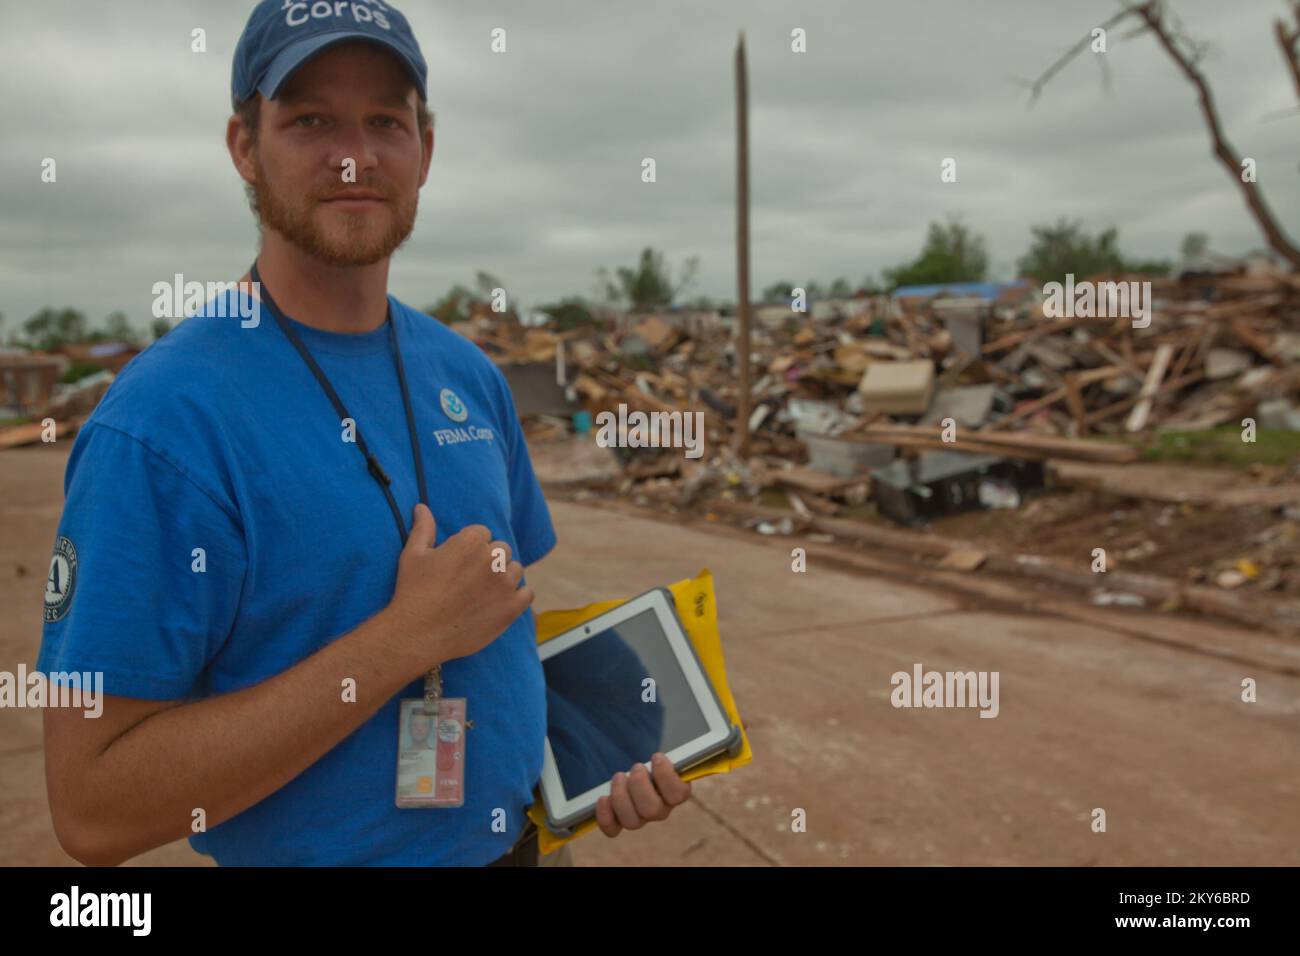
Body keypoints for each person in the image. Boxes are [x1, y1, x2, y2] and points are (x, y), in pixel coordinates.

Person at [38, 0, 690, 867]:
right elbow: (92, 809)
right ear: (244, 146)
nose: (356, 155)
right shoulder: (162, 424)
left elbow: (491, 635)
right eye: (311, 120)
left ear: (426, 147)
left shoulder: (467, 376)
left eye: (386, 120)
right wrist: (399, 642)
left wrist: (591, 752)